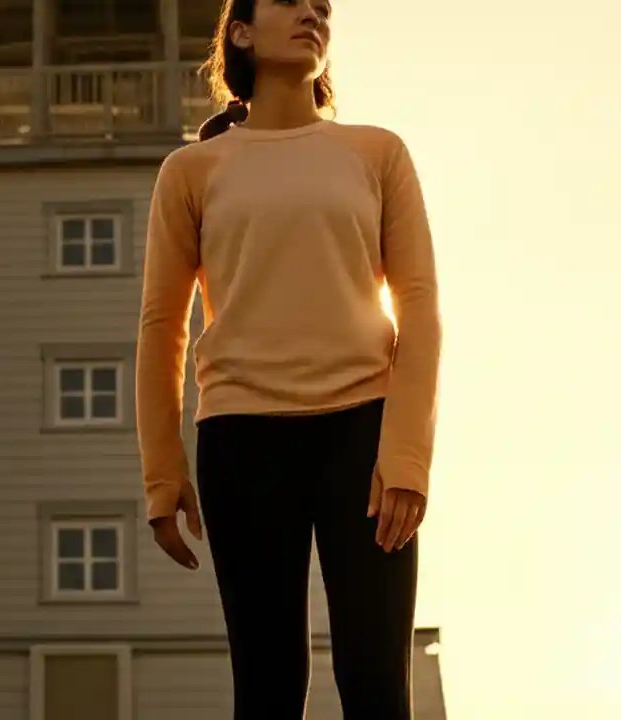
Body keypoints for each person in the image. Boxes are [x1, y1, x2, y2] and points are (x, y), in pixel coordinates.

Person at [133, 0, 442, 718]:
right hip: (241, 441)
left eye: (322, 7)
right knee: (267, 689)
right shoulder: (190, 170)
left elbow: (420, 304)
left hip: (364, 436)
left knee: (377, 686)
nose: (312, 13)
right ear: (240, 32)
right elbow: (161, 325)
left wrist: (406, 457)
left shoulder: (377, 152)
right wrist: (163, 472)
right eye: (290, 0)